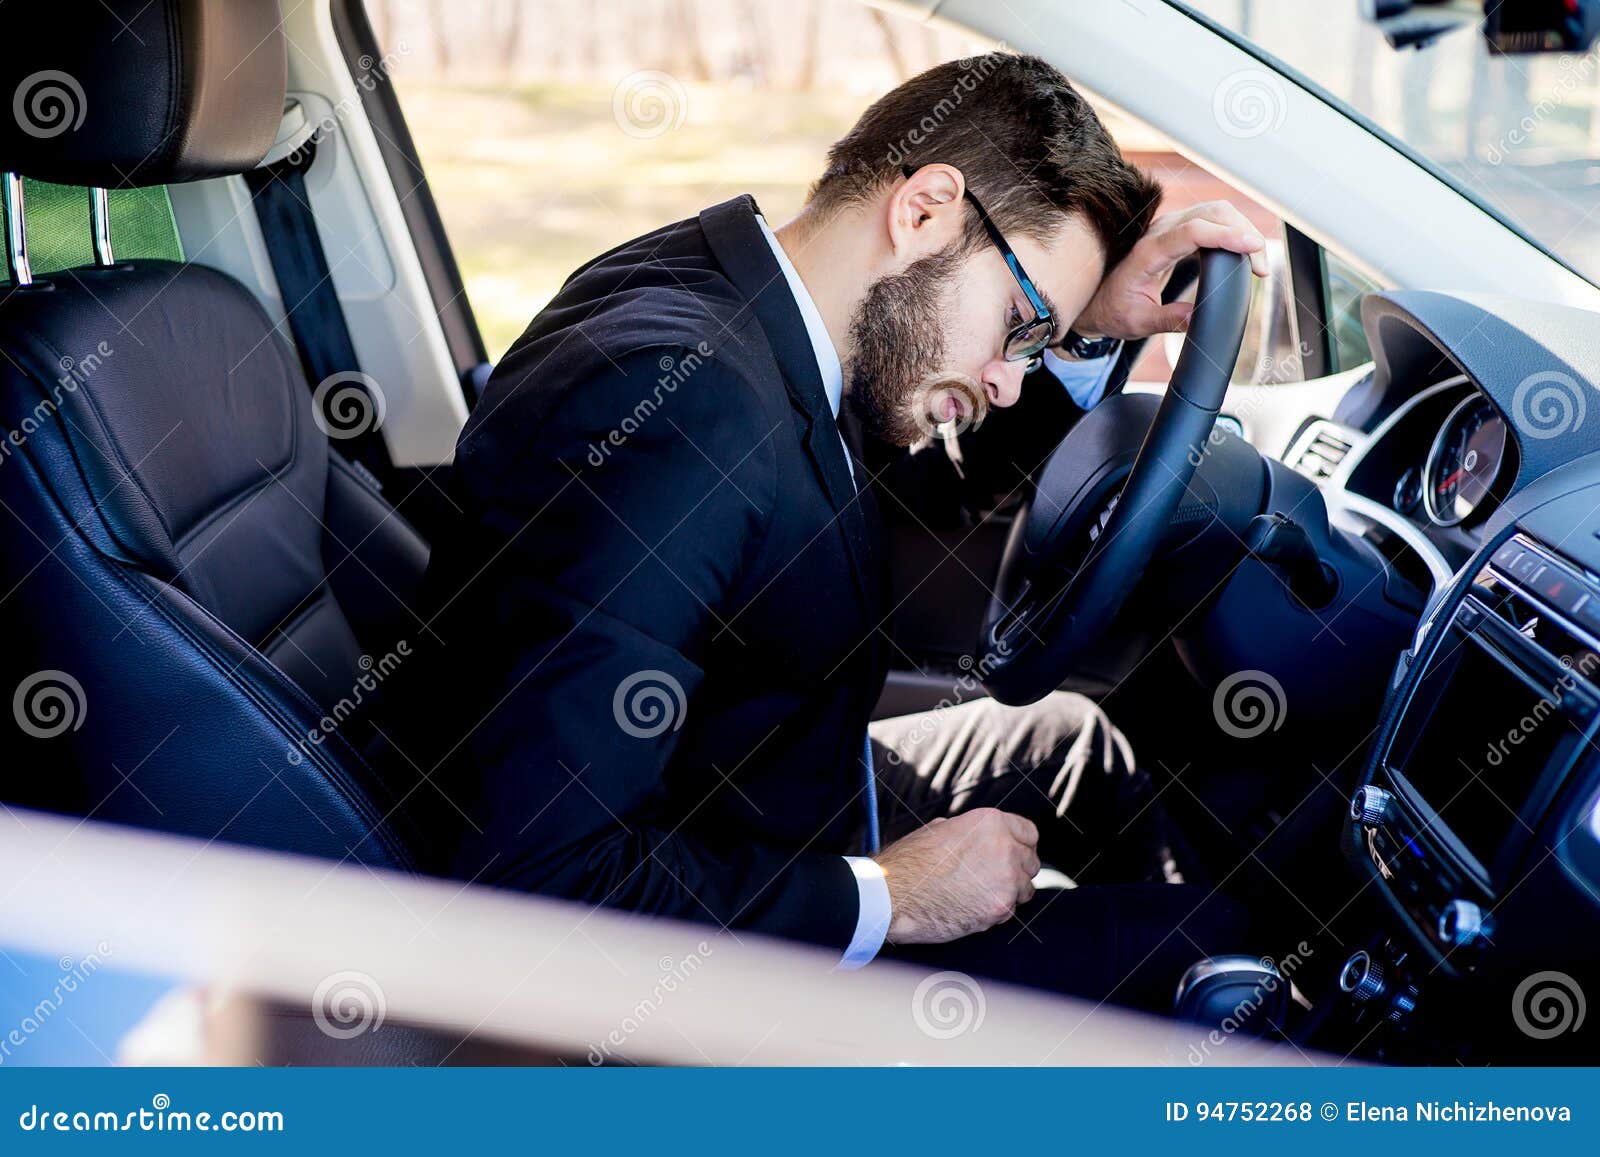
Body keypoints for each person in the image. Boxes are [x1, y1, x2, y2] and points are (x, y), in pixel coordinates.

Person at [411, 53, 1268, 1012]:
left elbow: (952, 480)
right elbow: (538, 879)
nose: (1008, 379)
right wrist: (892, 896)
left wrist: (1083, 326)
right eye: (1021, 327)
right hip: (734, 959)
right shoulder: (683, 410)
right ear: (926, 210)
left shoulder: (750, 296)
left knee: (1079, 745)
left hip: (779, 782)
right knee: (1211, 943)